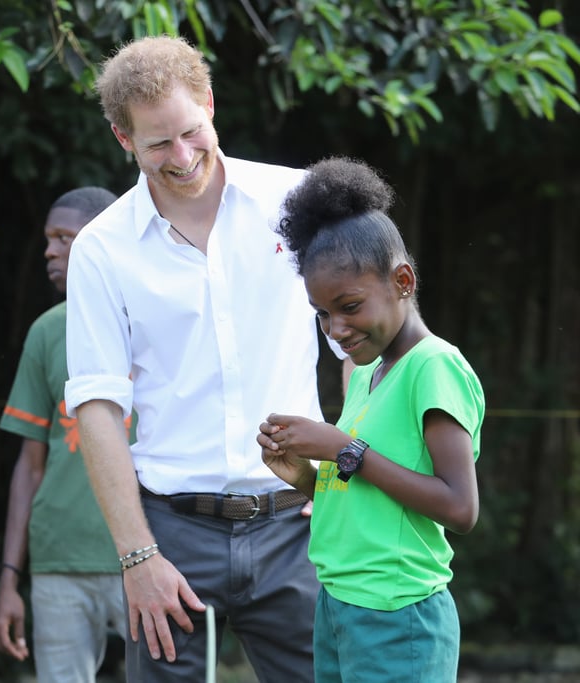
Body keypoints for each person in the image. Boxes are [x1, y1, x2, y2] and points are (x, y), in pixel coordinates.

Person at [64, 36, 348, 682]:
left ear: (212, 104)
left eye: (192, 131)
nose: (184, 156)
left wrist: (344, 465)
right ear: (122, 138)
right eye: (159, 143)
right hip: (170, 529)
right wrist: (138, 557)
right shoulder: (102, 249)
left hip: (299, 520)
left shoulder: (297, 201)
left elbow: (361, 343)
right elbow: (98, 409)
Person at [257, 157, 484, 682]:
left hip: (397, 615)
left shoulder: (434, 366)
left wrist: (341, 447)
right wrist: (309, 480)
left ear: (401, 281)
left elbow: (460, 506)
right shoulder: (370, 370)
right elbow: (374, 490)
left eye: (350, 306)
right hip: (340, 603)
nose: (335, 328)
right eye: (322, 313)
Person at [0, 187, 131, 682]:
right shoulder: (48, 331)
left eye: (63, 238)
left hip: (150, 552)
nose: (49, 251)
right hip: (58, 556)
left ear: (102, 241)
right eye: (48, 239)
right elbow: (30, 467)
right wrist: (10, 579)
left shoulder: (160, 319)